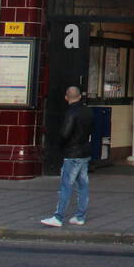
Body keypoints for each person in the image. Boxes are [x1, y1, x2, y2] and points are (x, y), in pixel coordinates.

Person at [41, 86, 93, 227]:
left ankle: (58, 217)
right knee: (83, 185)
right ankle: (80, 216)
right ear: (80, 96)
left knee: (66, 186)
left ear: (66, 97)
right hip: (85, 153)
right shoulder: (88, 111)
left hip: (72, 153)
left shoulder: (71, 113)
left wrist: (58, 145)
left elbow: (65, 133)